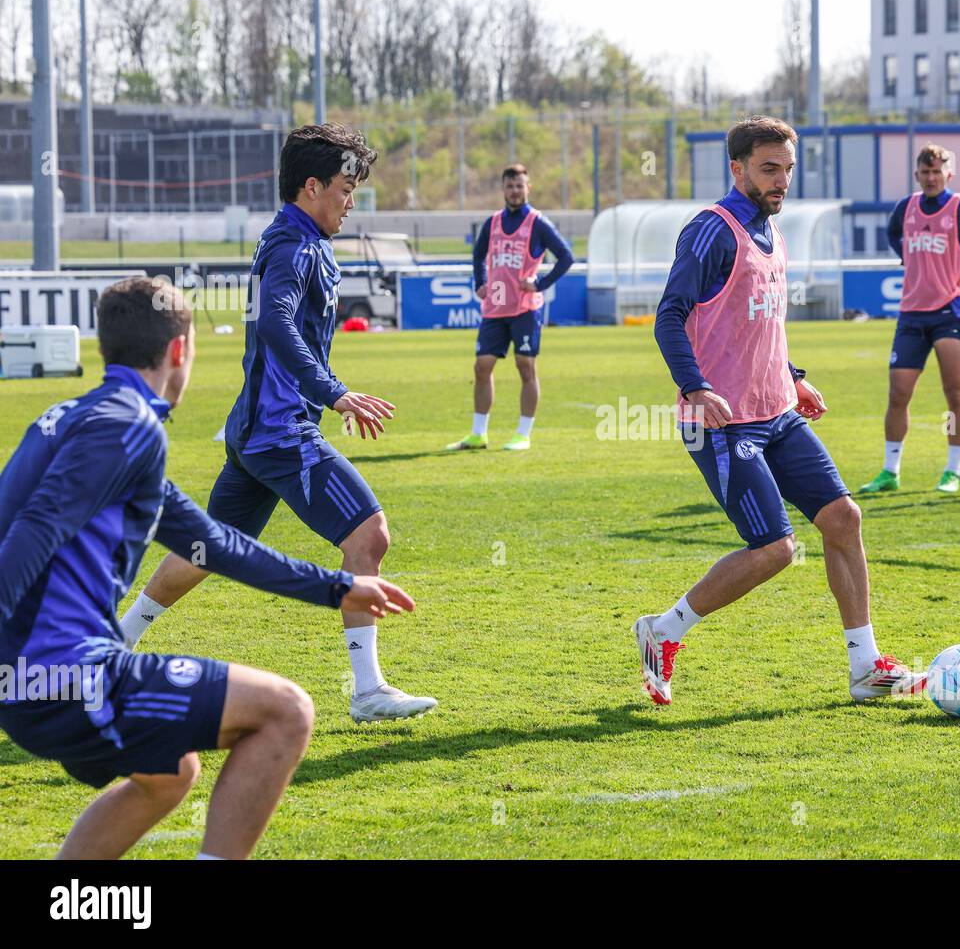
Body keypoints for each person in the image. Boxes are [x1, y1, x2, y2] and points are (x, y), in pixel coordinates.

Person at [0, 277, 415, 859]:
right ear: (179, 352)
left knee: (170, 771)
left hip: (30, 680)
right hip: (64, 678)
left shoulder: (76, 416)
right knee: (286, 712)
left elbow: (214, 544)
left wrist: (337, 587)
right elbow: (31, 536)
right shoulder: (127, 426)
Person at [118, 123, 435, 723]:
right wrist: (333, 394)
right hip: (282, 431)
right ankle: (367, 689)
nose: (351, 200)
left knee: (205, 547)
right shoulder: (293, 247)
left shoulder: (296, 239)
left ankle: (115, 644)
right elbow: (276, 326)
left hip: (255, 431)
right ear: (310, 186)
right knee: (369, 537)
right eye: (344, 187)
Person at [636, 115, 927, 706]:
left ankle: (866, 667)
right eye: (770, 169)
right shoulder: (710, 232)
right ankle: (662, 631)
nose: (782, 181)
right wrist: (695, 388)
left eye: (788, 170)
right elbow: (670, 315)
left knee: (844, 519)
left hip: (776, 412)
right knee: (776, 549)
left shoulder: (774, 234)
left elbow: (759, 323)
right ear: (737, 167)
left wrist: (792, 378)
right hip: (722, 421)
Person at [859, 143, 960, 495]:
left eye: (937, 171)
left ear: (949, 174)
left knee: (954, 392)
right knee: (898, 394)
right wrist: (907, 256)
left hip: (950, 313)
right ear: (917, 175)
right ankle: (890, 471)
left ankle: (950, 470)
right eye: (925, 172)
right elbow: (891, 233)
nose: (931, 178)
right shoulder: (907, 208)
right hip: (911, 314)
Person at [445, 163, 574, 452]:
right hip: (496, 306)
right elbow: (478, 254)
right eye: (510, 186)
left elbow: (566, 256)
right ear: (503, 189)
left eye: (520, 186)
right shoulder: (492, 222)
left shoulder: (537, 222)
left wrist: (540, 283)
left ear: (528, 188)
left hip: (525, 307)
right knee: (482, 367)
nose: (515, 191)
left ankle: (523, 434)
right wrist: (480, 282)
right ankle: (478, 434)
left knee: (525, 366)